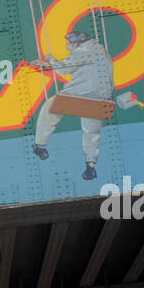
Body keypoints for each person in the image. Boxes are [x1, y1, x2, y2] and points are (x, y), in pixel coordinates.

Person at [30, 29, 114, 180]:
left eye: (68, 44)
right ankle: (90, 166)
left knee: (49, 108)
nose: (67, 48)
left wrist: (50, 59)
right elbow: (84, 68)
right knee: (91, 133)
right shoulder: (99, 49)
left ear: (76, 43)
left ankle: (39, 146)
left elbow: (65, 69)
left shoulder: (84, 50)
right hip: (102, 100)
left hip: (81, 97)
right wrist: (47, 65)